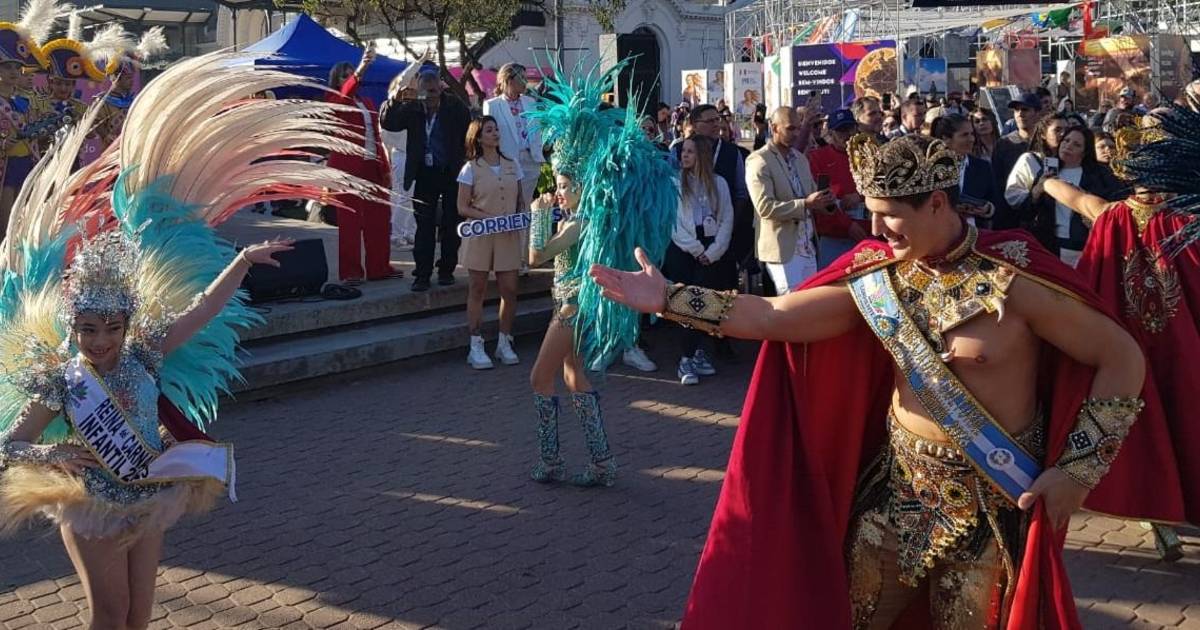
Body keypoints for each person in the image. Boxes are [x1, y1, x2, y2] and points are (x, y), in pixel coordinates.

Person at [591, 133, 1153, 629]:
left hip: (994, 506)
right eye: (872, 212)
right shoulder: (879, 278)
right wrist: (667, 298)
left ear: (937, 203)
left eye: (890, 215)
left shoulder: (1015, 281)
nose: (876, 228)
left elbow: (1121, 357)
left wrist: (1076, 473)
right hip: (893, 497)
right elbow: (774, 316)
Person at [0, 51, 379, 630]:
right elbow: (9, 444)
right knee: (110, 614)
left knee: (141, 617)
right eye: (88, 330)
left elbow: (201, 310)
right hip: (90, 505)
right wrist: (52, 454)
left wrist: (244, 260)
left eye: (109, 329)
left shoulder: (145, 353)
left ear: (127, 326)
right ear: (74, 329)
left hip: (150, 493)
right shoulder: (62, 379)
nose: (99, 340)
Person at [1040, 107, 1200, 560]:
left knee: (1144, 429)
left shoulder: (1112, 216)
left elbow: (1074, 198)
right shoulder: (1189, 221)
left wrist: (1047, 179)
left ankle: (1161, 521)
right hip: (1185, 350)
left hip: (1127, 349)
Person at [523, 60, 676, 487]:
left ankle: (551, 461)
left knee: (540, 376)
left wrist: (538, 217)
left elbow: (536, 257)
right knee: (575, 378)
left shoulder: (577, 221)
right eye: (558, 183)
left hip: (572, 308)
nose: (559, 191)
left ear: (583, 188)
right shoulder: (579, 217)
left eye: (566, 185)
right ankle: (602, 462)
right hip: (572, 305)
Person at [381, 68, 472, 291]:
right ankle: (422, 273)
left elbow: (468, 130)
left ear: (440, 88)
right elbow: (388, 123)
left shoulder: (454, 105)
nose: (430, 96)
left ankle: (446, 269)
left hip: (450, 171)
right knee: (424, 224)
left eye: (433, 91)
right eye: (425, 91)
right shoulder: (412, 107)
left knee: (451, 223)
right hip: (424, 171)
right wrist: (394, 101)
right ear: (419, 90)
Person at [664, 135, 735, 385]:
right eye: (683, 151)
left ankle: (699, 351)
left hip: (711, 249)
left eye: (691, 152)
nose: (685, 156)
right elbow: (673, 223)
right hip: (685, 250)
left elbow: (726, 218)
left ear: (703, 155)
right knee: (685, 302)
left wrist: (714, 251)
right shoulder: (674, 184)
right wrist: (695, 249)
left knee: (708, 301)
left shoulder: (719, 184)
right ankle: (685, 358)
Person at [456, 116, 526, 370]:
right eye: (489, 130)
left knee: (509, 288)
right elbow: (462, 206)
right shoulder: (470, 168)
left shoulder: (512, 164)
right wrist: (487, 217)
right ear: (478, 137)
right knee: (478, 288)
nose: (495, 134)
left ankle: (504, 340)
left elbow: (520, 201)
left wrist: (519, 218)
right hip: (481, 235)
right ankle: (476, 343)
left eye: (496, 129)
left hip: (508, 235)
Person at [325, 50, 400, 284]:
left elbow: (376, 137)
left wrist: (385, 167)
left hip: (371, 165)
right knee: (350, 223)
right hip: (347, 169)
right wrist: (362, 67)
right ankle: (350, 272)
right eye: (344, 76)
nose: (350, 78)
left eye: (351, 74)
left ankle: (379, 267)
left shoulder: (366, 102)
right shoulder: (336, 101)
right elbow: (347, 91)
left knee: (378, 219)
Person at [1007, 117, 1121, 265]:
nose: (1068, 146)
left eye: (1076, 144)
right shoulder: (1047, 170)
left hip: (1088, 247)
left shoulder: (1101, 175)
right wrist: (1036, 191)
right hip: (1050, 246)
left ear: (1085, 152)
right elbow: (1026, 212)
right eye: (1066, 141)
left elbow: (1113, 208)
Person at [746, 107, 832, 294]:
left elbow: (810, 195)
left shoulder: (800, 158)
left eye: (799, 128)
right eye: (790, 128)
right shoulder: (759, 160)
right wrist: (806, 204)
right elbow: (764, 208)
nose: (796, 134)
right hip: (782, 249)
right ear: (774, 127)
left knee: (809, 305)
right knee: (790, 306)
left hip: (808, 246)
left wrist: (824, 200)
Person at [806, 108, 871, 266]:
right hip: (835, 237)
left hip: (867, 234)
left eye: (849, 129)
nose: (846, 135)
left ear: (856, 128)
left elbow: (880, 187)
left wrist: (860, 195)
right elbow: (822, 199)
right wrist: (848, 226)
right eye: (840, 131)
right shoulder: (817, 157)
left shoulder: (869, 155)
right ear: (831, 133)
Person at [932, 114, 998, 228]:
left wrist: (987, 209)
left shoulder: (982, 167)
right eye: (964, 135)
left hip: (975, 234)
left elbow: (996, 201)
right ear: (945, 139)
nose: (971, 139)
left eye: (972, 134)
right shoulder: (931, 168)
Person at [990, 92, 1044, 228]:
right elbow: (997, 181)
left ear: (1038, 113)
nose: (1020, 114)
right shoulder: (1004, 143)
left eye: (1025, 109)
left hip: (1042, 215)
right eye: (1016, 110)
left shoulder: (1046, 143)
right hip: (1010, 216)